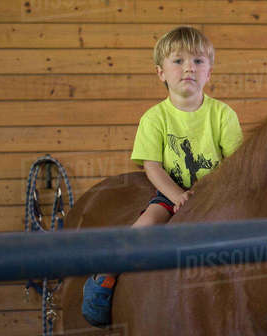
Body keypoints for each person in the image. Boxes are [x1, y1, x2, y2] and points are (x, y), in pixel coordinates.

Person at [81, 26, 243, 327]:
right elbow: (152, 166)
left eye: (198, 61)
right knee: (146, 224)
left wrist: (218, 194)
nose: (188, 69)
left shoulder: (223, 115)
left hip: (216, 194)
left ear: (209, 72)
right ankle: (106, 275)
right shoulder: (155, 118)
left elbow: (235, 164)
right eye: (178, 61)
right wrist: (178, 196)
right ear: (161, 73)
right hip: (172, 192)